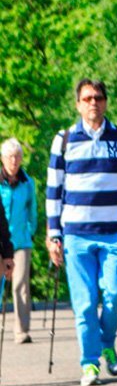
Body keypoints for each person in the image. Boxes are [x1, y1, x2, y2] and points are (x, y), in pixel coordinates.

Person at [46, 80, 117, 386]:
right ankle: (90, 363)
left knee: (115, 294)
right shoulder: (64, 140)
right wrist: (53, 235)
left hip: (115, 234)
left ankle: (105, 343)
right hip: (76, 235)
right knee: (85, 303)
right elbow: (53, 191)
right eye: (87, 98)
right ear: (78, 104)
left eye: (98, 97)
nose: (93, 103)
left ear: (106, 102)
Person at [1, 138, 34, 343]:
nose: (14, 160)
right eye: (10, 157)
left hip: (21, 241)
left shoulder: (27, 183)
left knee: (20, 283)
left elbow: (32, 212)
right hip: (1, 241)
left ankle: (21, 330)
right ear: (3, 159)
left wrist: (31, 231)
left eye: (17, 156)